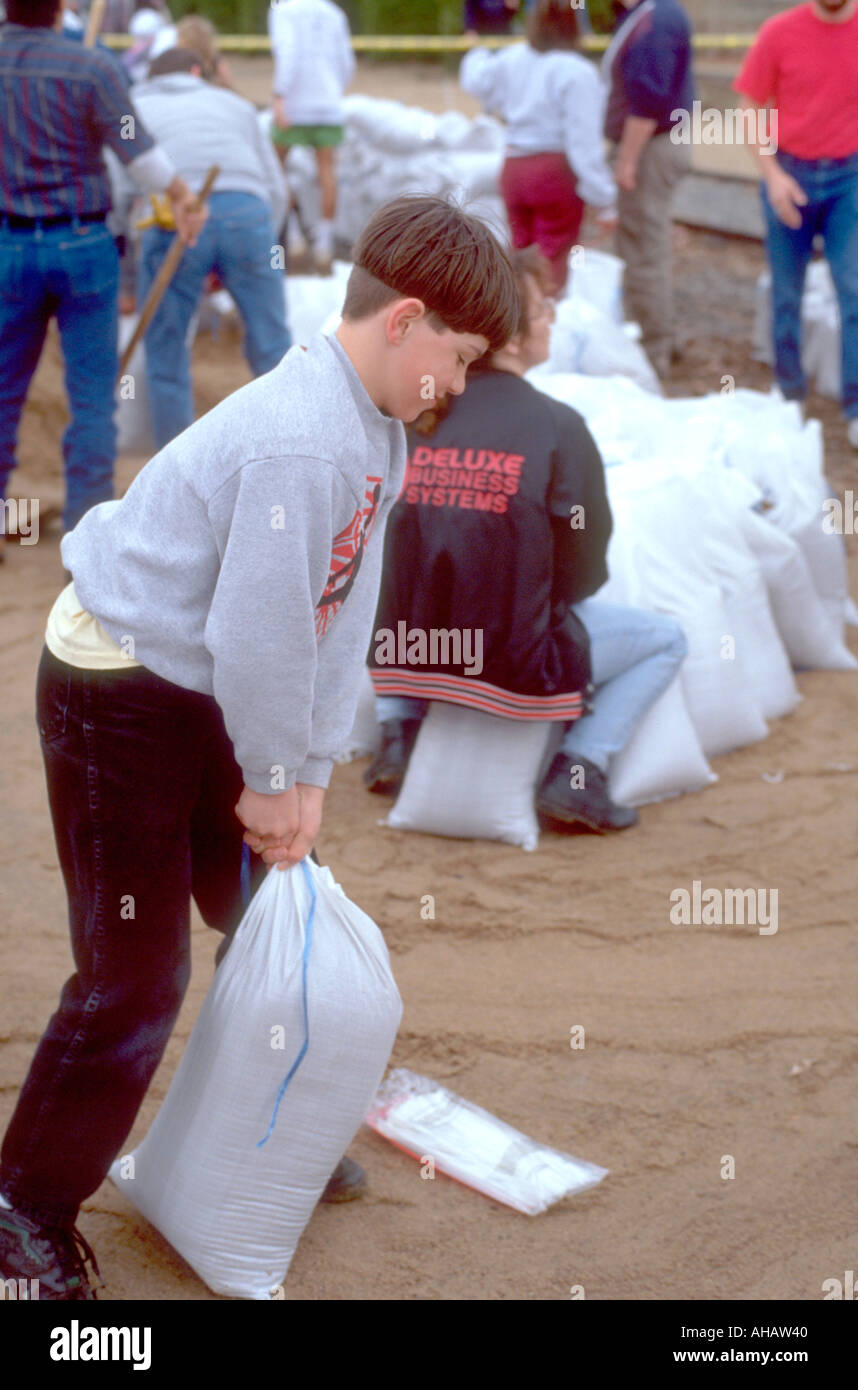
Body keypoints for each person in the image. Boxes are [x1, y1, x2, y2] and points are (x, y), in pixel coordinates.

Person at [0, 196, 518, 1300]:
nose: (459, 385)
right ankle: (22, 1208)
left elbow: (341, 605)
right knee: (136, 976)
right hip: (122, 686)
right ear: (406, 320)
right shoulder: (305, 437)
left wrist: (309, 774)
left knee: (263, 902)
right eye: (460, 359)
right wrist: (275, 778)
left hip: (210, 679)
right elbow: (263, 629)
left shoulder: (375, 424)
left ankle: (261, 1127)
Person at [366, 246, 688, 833]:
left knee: (401, 576)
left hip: (404, 654)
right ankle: (579, 773)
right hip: (510, 661)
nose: (554, 320)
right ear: (511, 340)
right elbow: (585, 571)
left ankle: (398, 731)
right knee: (666, 639)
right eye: (542, 310)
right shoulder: (559, 426)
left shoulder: (416, 411)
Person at [0, 0, 205, 559]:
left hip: (8, 246)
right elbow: (140, 157)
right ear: (61, 6)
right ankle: (83, 548)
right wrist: (184, 198)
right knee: (92, 401)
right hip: (83, 245)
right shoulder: (91, 68)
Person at [131, 46, 291, 448]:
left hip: (176, 221)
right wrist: (256, 244)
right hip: (248, 211)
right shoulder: (233, 103)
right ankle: (288, 445)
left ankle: (176, 466)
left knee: (166, 349)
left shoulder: (136, 104)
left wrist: (131, 254)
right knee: (272, 342)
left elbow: (124, 182)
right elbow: (277, 187)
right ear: (197, 70)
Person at [734, 0, 858, 447]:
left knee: (854, 290)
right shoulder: (779, 32)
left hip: (849, 177)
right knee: (786, 291)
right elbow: (748, 105)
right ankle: (789, 393)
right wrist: (772, 176)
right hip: (790, 170)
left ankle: (855, 403)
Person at [460, 0, 617, 292]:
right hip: (554, 171)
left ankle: (513, 323)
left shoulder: (512, 58)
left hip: (514, 167)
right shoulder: (578, 72)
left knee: (520, 256)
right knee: (550, 261)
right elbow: (583, 143)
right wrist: (604, 200)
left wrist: (476, 45)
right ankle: (543, 324)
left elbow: (474, 79)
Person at [602, 0, 693, 381]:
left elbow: (647, 99)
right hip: (655, 145)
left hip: (649, 149)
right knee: (645, 245)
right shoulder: (649, 15)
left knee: (644, 253)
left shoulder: (654, 21)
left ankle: (653, 352)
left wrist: (626, 160)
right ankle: (661, 338)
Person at [268, 0, 355, 273]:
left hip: (295, 103)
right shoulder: (334, 13)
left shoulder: (282, 10)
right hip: (328, 103)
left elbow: (288, 52)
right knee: (327, 172)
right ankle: (324, 246)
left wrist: (280, 93)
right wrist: (332, 91)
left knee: (274, 166)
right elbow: (347, 62)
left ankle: (292, 234)